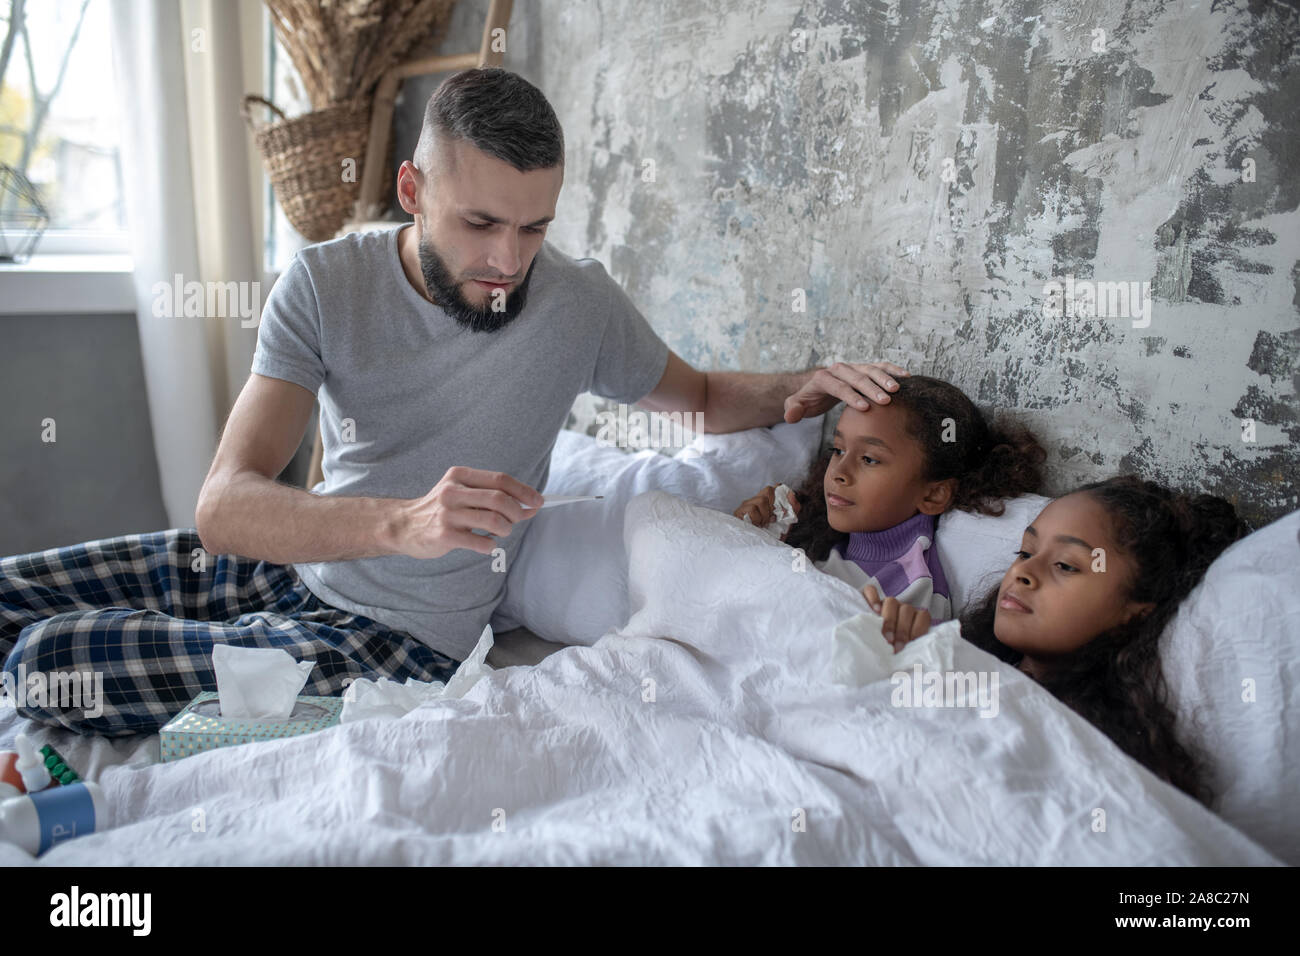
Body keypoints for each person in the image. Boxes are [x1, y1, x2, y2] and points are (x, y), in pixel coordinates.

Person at [0, 68, 905, 736]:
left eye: (534, 228)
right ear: (412, 191)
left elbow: (701, 397)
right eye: (480, 224)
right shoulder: (323, 284)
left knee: (47, 663)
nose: (509, 261)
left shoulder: (577, 303)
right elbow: (224, 507)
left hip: (396, 642)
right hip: (286, 570)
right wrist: (402, 522)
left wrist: (805, 384)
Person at [959, 475, 1245, 803]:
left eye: (1065, 565)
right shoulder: (952, 654)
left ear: (1135, 611)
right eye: (1024, 552)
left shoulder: (1088, 744)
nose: (1022, 572)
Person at [736, 375, 1043, 649]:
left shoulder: (913, 588)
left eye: (869, 459)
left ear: (934, 494)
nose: (839, 472)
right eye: (838, 450)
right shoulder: (818, 533)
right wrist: (747, 534)